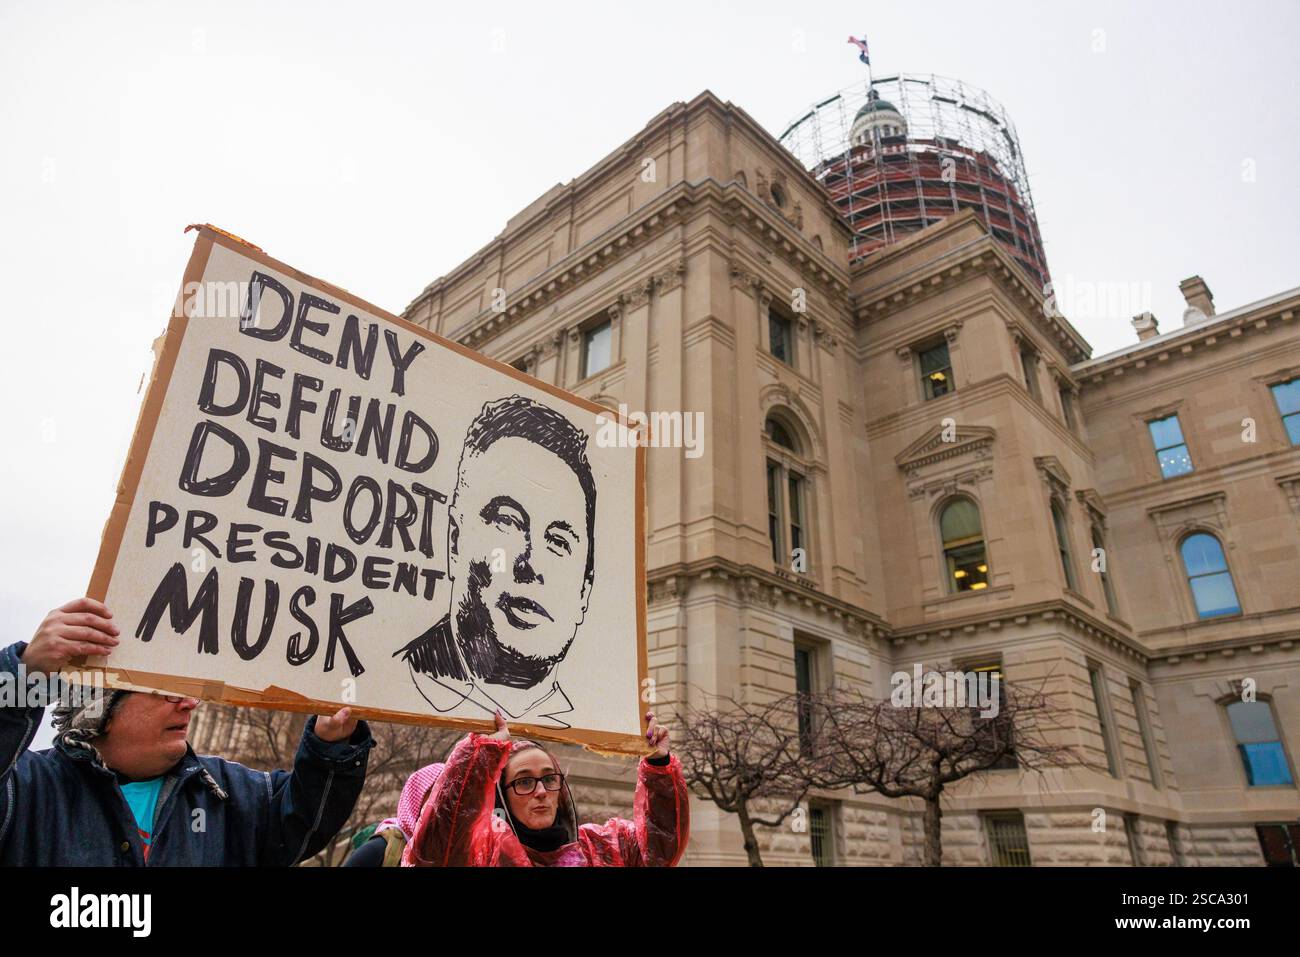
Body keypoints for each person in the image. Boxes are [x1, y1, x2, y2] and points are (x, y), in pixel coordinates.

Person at [0, 597, 375, 866]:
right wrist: (23, 673)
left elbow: (301, 822)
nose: (189, 704)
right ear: (101, 710)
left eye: (187, 691)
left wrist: (332, 744)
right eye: (165, 692)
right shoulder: (27, 792)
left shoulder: (229, 794)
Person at [396, 395, 599, 729]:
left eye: (559, 541)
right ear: (454, 541)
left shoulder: (597, 722)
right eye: (508, 522)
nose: (532, 563)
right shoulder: (394, 686)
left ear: (584, 591)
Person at [402, 708, 688, 867]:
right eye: (524, 781)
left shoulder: (598, 847)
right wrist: (481, 755)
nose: (540, 791)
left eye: (549, 778)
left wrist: (659, 765)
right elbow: (434, 856)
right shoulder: (484, 853)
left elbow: (657, 853)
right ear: (503, 796)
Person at [343, 761, 444, 867]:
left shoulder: (452, 853)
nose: (442, 805)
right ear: (418, 797)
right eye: (436, 794)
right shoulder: (380, 848)